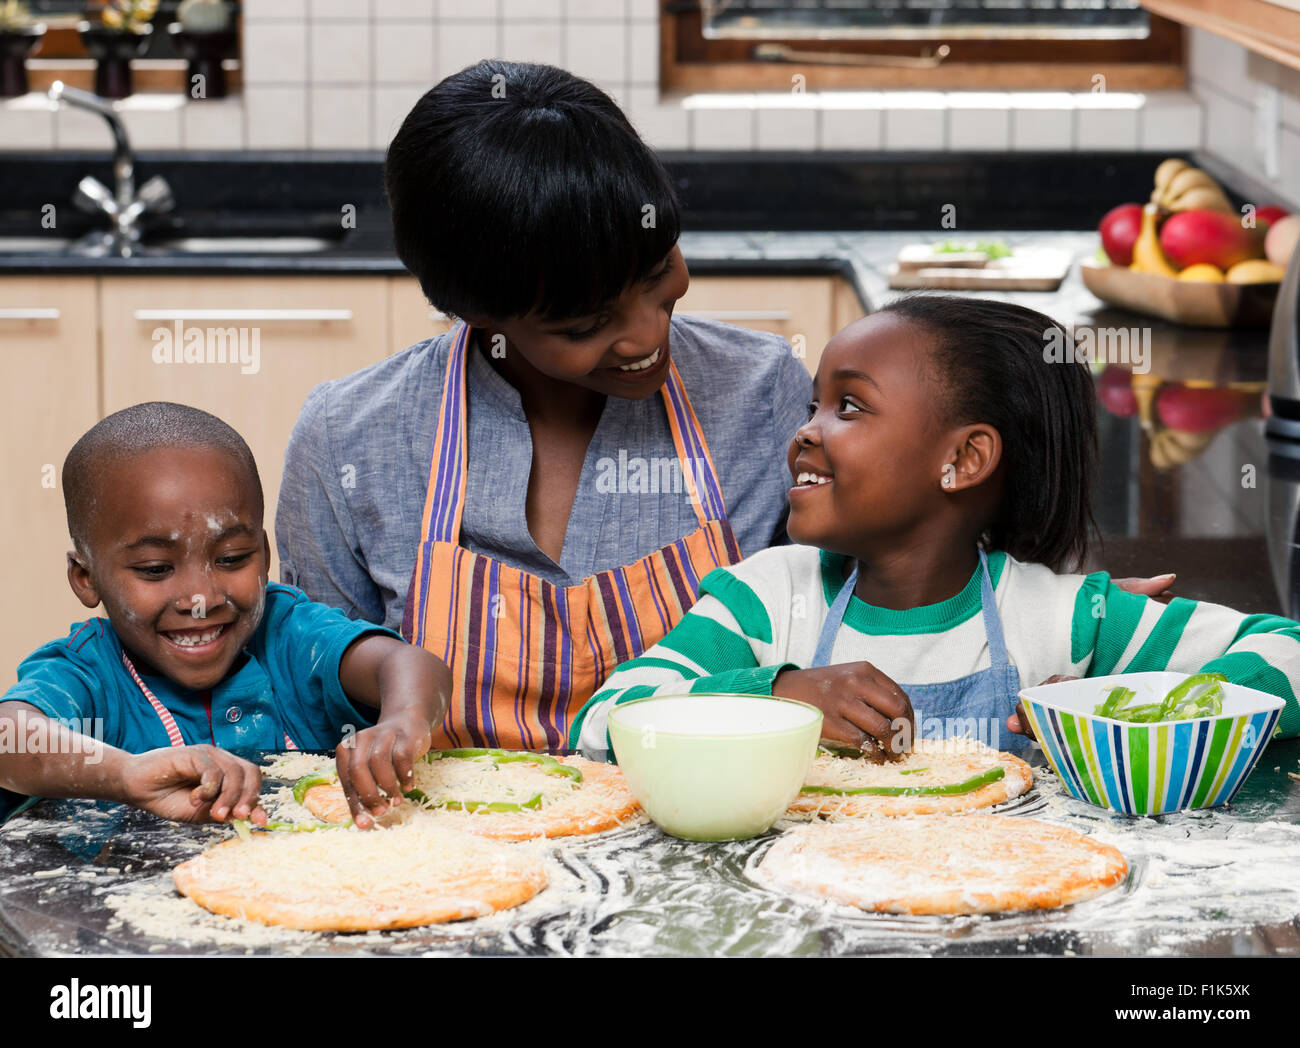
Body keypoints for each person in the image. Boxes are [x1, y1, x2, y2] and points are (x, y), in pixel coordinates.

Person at [275, 60, 811, 752]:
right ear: (473, 311)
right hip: (448, 852)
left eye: (658, 275)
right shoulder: (348, 440)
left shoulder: (764, 395)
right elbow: (319, 705)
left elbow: (838, 627)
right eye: (585, 325)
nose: (649, 334)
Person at [571, 295, 1300, 759]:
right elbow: (603, 722)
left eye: (848, 408)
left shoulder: (1067, 619)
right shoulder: (766, 600)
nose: (805, 434)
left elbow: (1288, 651)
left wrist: (1129, 709)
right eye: (812, 407)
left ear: (963, 460)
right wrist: (776, 697)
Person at [0, 403, 450, 829]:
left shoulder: (288, 633)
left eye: (232, 558)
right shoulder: (89, 671)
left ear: (265, 553)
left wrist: (403, 719)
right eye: (156, 569)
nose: (201, 597)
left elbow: (407, 662)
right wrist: (125, 773)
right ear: (85, 577)